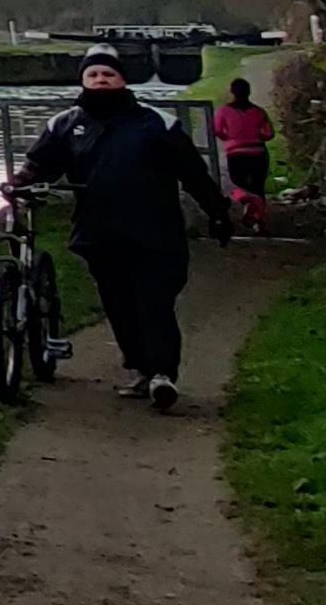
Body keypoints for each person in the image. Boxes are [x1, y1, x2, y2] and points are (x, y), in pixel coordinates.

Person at [20, 49, 230, 410]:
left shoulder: (156, 123)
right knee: (119, 305)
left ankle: (163, 373)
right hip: (100, 234)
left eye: (109, 75)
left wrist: (218, 212)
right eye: (94, 75)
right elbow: (41, 164)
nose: (101, 81)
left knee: (154, 302)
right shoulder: (66, 125)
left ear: (123, 80)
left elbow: (193, 172)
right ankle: (140, 368)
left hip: (156, 232)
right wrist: (21, 183)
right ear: (83, 82)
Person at [212, 78, 275, 228]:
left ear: (232, 92)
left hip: (236, 153)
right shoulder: (259, 112)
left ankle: (247, 202)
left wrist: (230, 139)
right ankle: (259, 220)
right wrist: (257, 137)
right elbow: (269, 133)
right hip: (258, 152)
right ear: (249, 92)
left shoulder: (223, 111)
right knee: (258, 187)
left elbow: (217, 130)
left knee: (236, 185)